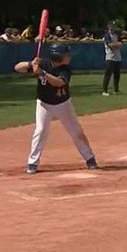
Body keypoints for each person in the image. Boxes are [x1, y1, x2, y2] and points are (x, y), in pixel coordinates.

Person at [15, 44, 98, 173]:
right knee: (40, 131)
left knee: (76, 132)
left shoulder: (65, 69)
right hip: (44, 104)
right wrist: (30, 64)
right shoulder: (42, 63)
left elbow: (58, 83)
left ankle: (90, 158)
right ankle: (32, 163)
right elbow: (17, 67)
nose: (69, 57)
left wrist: (42, 73)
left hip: (63, 104)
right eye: (66, 55)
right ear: (57, 56)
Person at [102, 21, 123, 96]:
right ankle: (105, 90)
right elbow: (110, 45)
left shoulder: (117, 35)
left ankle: (116, 90)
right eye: (111, 26)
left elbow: (121, 44)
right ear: (108, 27)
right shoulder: (107, 36)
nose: (112, 28)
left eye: (113, 26)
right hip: (110, 57)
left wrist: (116, 44)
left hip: (118, 57)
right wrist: (116, 44)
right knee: (108, 74)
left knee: (117, 74)